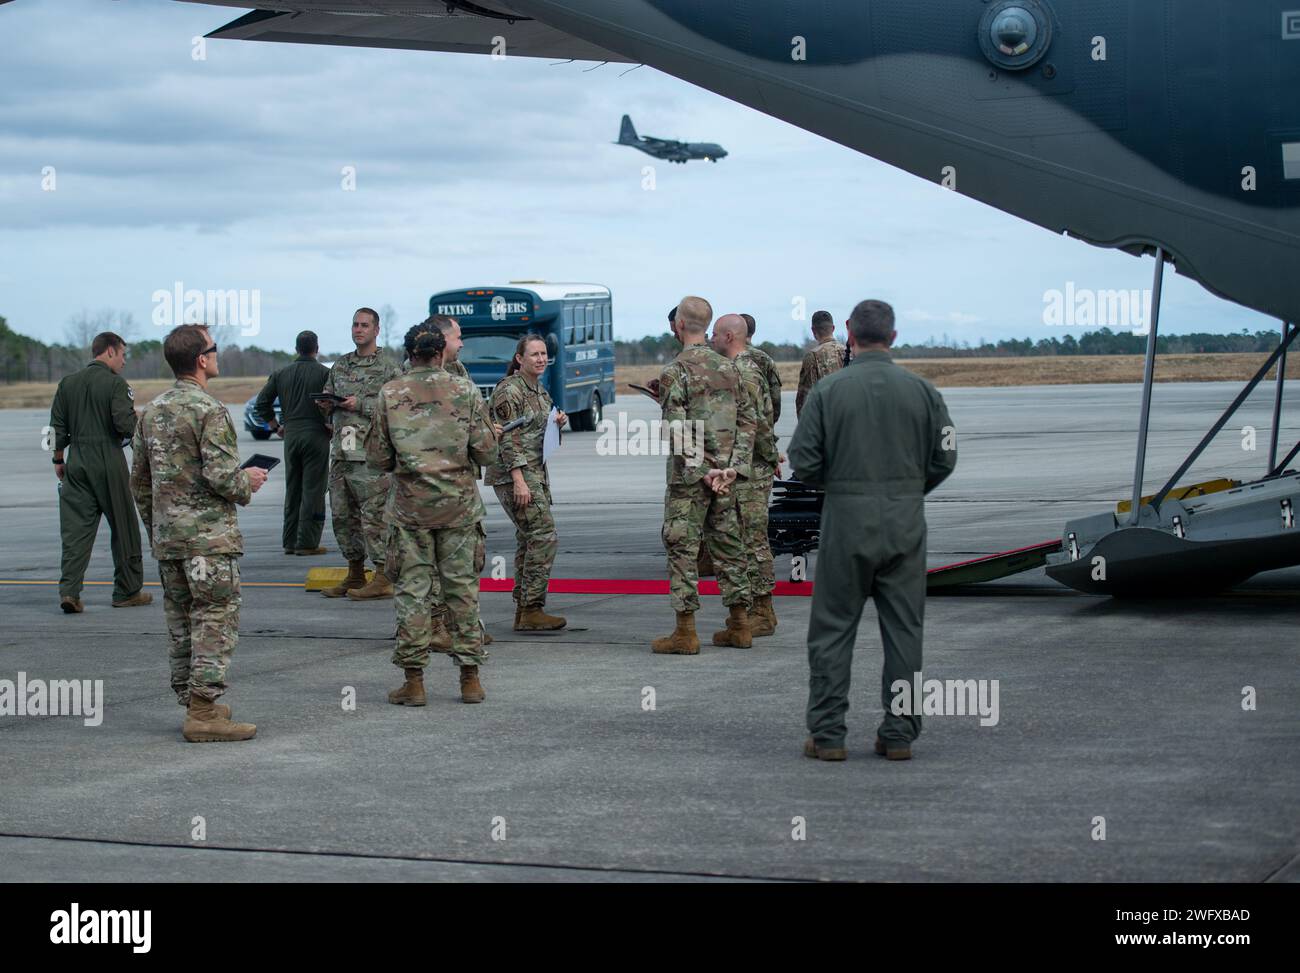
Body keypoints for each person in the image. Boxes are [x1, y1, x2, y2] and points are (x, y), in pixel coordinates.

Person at [788, 300, 957, 762]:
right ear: (894, 337)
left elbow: (802, 458)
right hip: (905, 523)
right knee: (904, 631)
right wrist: (908, 489)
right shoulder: (923, 392)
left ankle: (828, 735)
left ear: (849, 334)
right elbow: (946, 455)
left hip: (845, 521)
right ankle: (899, 733)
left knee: (832, 629)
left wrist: (841, 486)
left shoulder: (829, 391)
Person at [130, 324, 269, 742]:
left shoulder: (152, 412)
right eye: (213, 349)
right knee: (214, 619)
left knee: (181, 622)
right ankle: (204, 711)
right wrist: (249, 482)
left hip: (170, 539)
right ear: (201, 360)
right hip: (208, 540)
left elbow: (139, 481)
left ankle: (194, 702)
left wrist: (158, 527)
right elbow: (222, 477)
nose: (216, 354)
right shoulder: (209, 410)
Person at [369, 323, 498, 706]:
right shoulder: (466, 391)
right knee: (462, 591)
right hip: (459, 508)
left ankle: (414, 681)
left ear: (409, 355)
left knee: (412, 592)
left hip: (410, 511)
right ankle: (470, 679)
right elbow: (487, 453)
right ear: (441, 353)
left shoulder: (390, 393)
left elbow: (377, 457)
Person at [651, 296, 756, 655]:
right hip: (725, 478)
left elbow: (677, 428)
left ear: (679, 325)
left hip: (690, 481)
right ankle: (741, 625)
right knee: (729, 546)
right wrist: (732, 468)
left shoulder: (675, 372)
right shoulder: (732, 368)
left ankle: (685, 632)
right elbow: (747, 422)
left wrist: (700, 469)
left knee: (682, 547)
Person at [49, 331, 150, 613]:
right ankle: (127, 590)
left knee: (75, 531)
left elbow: (54, 426)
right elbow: (124, 424)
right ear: (109, 352)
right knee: (124, 526)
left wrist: (58, 459)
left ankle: (69, 591)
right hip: (108, 459)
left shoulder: (67, 383)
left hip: (76, 460)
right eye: (122, 355)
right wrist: (138, 422)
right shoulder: (116, 384)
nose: (124, 361)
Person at [484, 334, 568, 631]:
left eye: (544, 354)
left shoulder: (539, 390)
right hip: (514, 473)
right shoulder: (509, 391)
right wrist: (519, 481)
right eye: (534, 354)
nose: (541, 359)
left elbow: (536, 429)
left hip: (536, 470)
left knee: (529, 537)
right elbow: (505, 438)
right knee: (544, 535)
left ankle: (525, 609)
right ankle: (532, 607)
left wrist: (557, 422)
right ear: (519, 359)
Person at [316, 308, 400, 599]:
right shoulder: (340, 365)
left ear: (376, 330)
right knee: (343, 516)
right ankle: (354, 573)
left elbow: (399, 406)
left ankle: (383, 576)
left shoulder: (389, 367)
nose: (358, 330)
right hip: (341, 454)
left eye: (364, 325)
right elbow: (328, 391)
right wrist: (327, 404)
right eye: (355, 324)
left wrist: (361, 404)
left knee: (374, 518)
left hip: (370, 457)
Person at [714, 315, 780, 637]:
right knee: (742, 536)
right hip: (747, 465)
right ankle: (754, 607)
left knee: (753, 538)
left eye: (715, 334)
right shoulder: (740, 369)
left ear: (729, 336)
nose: (711, 340)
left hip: (750, 469)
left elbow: (758, 422)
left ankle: (763, 611)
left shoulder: (743, 372)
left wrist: (767, 457)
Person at [254, 330, 331, 556]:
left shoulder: (281, 374)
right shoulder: (325, 373)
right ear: (316, 349)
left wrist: (275, 426)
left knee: (293, 488)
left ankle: (290, 540)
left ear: (296, 349)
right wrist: (330, 423)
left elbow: (262, 403)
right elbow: (335, 402)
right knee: (314, 489)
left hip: (291, 435)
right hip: (316, 434)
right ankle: (307, 542)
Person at [795, 310, 846, 418]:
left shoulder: (813, 356)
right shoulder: (850, 352)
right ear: (833, 328)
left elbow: (805, 397)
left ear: (813, 330)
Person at [739, 313, 782, 425]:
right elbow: (775, 396)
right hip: (761, 424)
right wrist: (769, 423)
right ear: (753, 332)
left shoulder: (725, 356)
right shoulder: (765, 359)